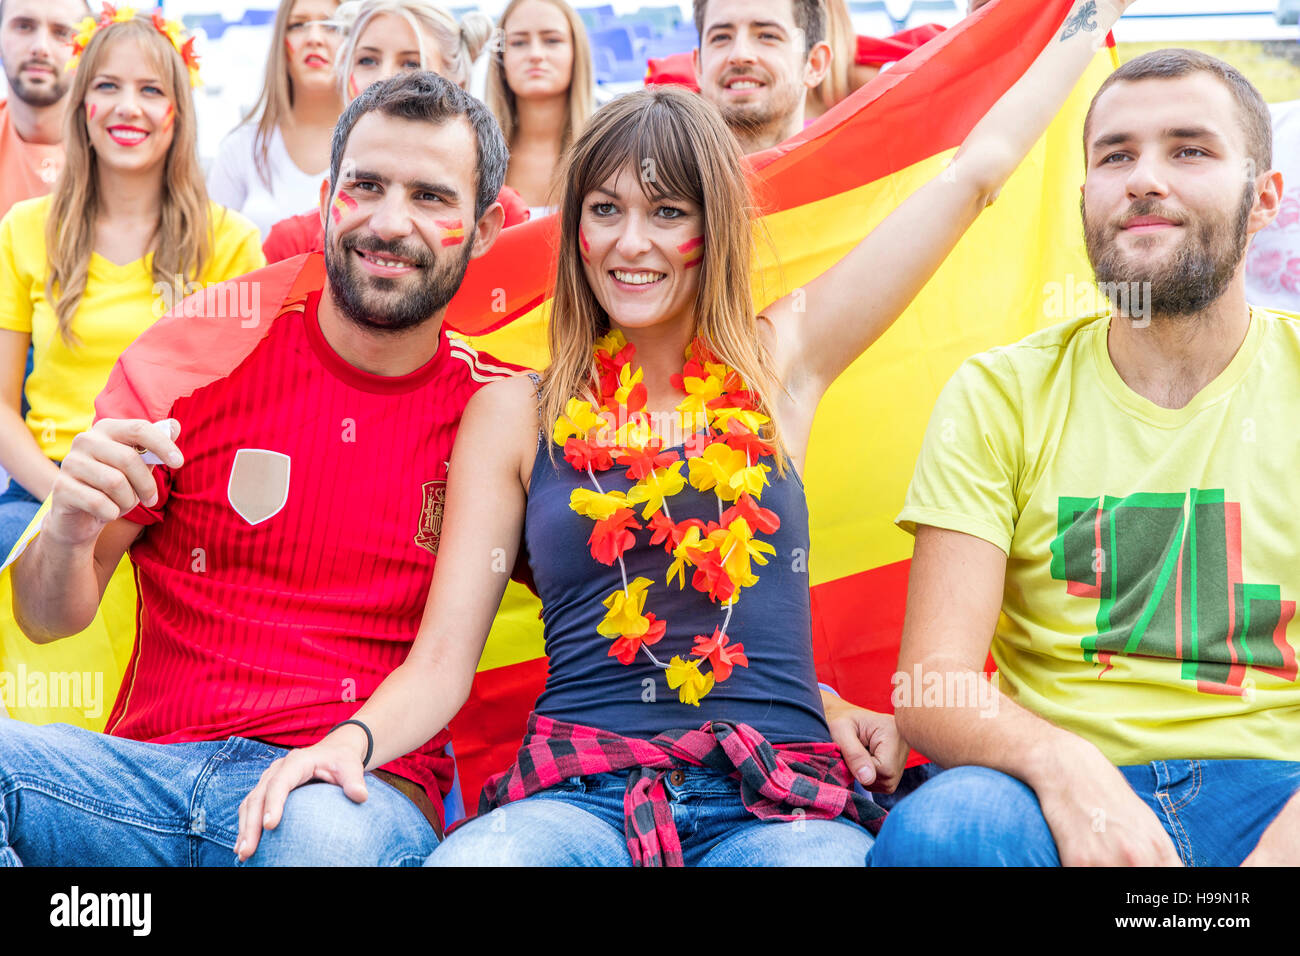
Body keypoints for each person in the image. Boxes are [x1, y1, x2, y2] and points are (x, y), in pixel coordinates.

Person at [233, 0, 1137, 867]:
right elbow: (440, 666)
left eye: (669, 213)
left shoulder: (784, 360)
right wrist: (346, 744)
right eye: (606, 210)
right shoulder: (513, 412)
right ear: (574, 230)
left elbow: (976, 172)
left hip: (777, 799)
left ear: (714, 226)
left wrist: (1093, 11)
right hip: (579, 795)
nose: (635, 243)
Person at [1, 71, 519, 866]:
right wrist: (67, 528)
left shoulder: (497, 415)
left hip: (347, 795)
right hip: (145, 780)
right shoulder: (199, 357)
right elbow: (47, 617)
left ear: (484, 230)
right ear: (324, 201)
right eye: (367, 186)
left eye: (430, 197)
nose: (389, 222)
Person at [862, 49, 1300, 867]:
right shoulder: (999, 393)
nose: (1144, 178)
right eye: (1116, 155)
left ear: (1264, 197)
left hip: (1278, 791)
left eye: (1190, 150)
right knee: (946, 831)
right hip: (1051, 792)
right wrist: (1070, 773)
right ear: (1085, 199)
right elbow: (934, 685)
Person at [0, 10, 264, 558]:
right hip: (48, 485)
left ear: (177, 112)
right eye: (107, 85)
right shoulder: (23, 229)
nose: (127, 106)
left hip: (180, 497)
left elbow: (246, 411)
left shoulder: (232, 241)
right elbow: (2, 406)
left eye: (150, 89)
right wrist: (66, 501)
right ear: (83, 108)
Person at [262, 0, 526, 263]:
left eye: (411, 63)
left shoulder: (506, 219)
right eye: (367, 60)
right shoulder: (292, 245)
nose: (385, 77)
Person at [206, 0, 344, 237]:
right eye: (298, 25)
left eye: (330, 25)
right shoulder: (240, 148)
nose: (314, 38)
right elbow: (210, 255)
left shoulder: (378, 150)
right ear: (280, 41)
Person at [486, 0, 593, 219]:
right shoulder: (474, 156)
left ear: (576, 53)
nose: (535, 54)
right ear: (501, 58)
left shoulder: (609, 151)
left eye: (552, 40)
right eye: (518, 43)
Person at [692, 0, 831, 154]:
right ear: (698, 66)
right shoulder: (664, 174)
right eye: (720, 37)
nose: (740, 54)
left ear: (814, 64)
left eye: (767, 35)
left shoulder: (854, 175)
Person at [0, 0, 89, 219]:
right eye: (24, 26)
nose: (40, 48)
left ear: (88, 48)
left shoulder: (117, 151)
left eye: (62, 32)